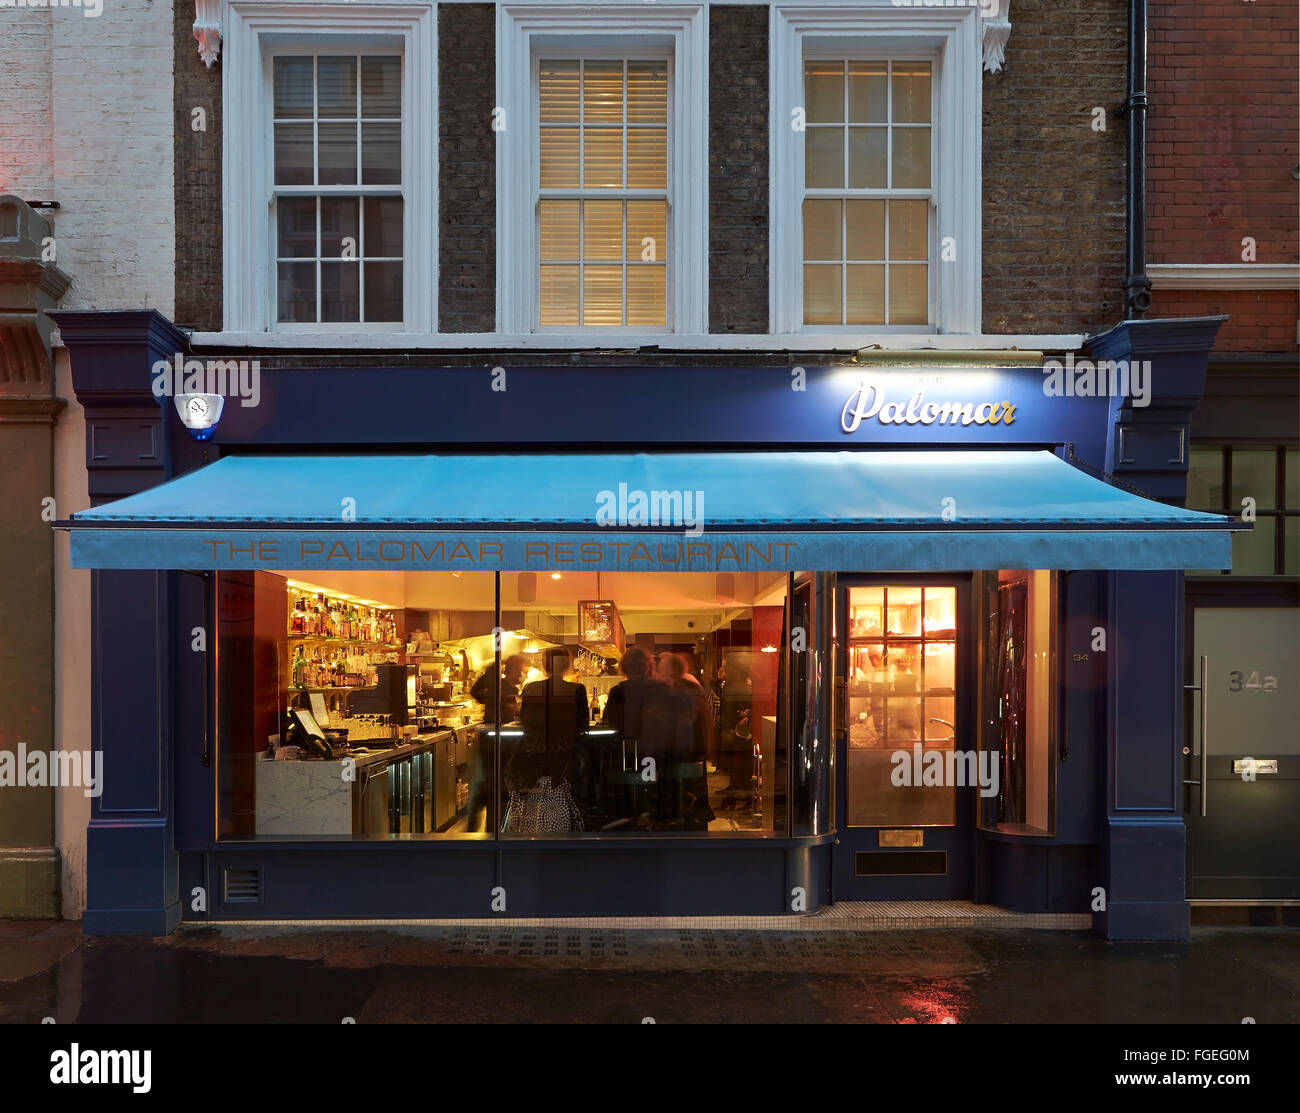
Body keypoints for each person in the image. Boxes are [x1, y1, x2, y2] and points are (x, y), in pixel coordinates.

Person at [466, 654, 528, 833]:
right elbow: (475, 691)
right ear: (509, 669)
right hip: (493, 740)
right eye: (519, 670)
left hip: (502, 739)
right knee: (491, 781)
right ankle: (482, 824)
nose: (521, 675)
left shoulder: (512, 690)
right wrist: (492, 699)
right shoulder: (497, 683)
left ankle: (491, 824)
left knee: (493, 780)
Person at [515, 646, 588, 793]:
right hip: (566, 754)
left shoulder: (531, 688)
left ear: (544, 665)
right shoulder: (577, 689)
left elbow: (524, 719)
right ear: (567, 666)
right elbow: (582, 723)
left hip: (535, 753)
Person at [716, 656, 753, 808]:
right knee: (737, 767)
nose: (725, 671)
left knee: (739, 766)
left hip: (737, 733)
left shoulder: (739, 687)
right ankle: (734, 798)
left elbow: (740, 709)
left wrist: (734, 725)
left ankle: (737, 798)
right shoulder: (735, 686)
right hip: (733, 731)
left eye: (727, 668)